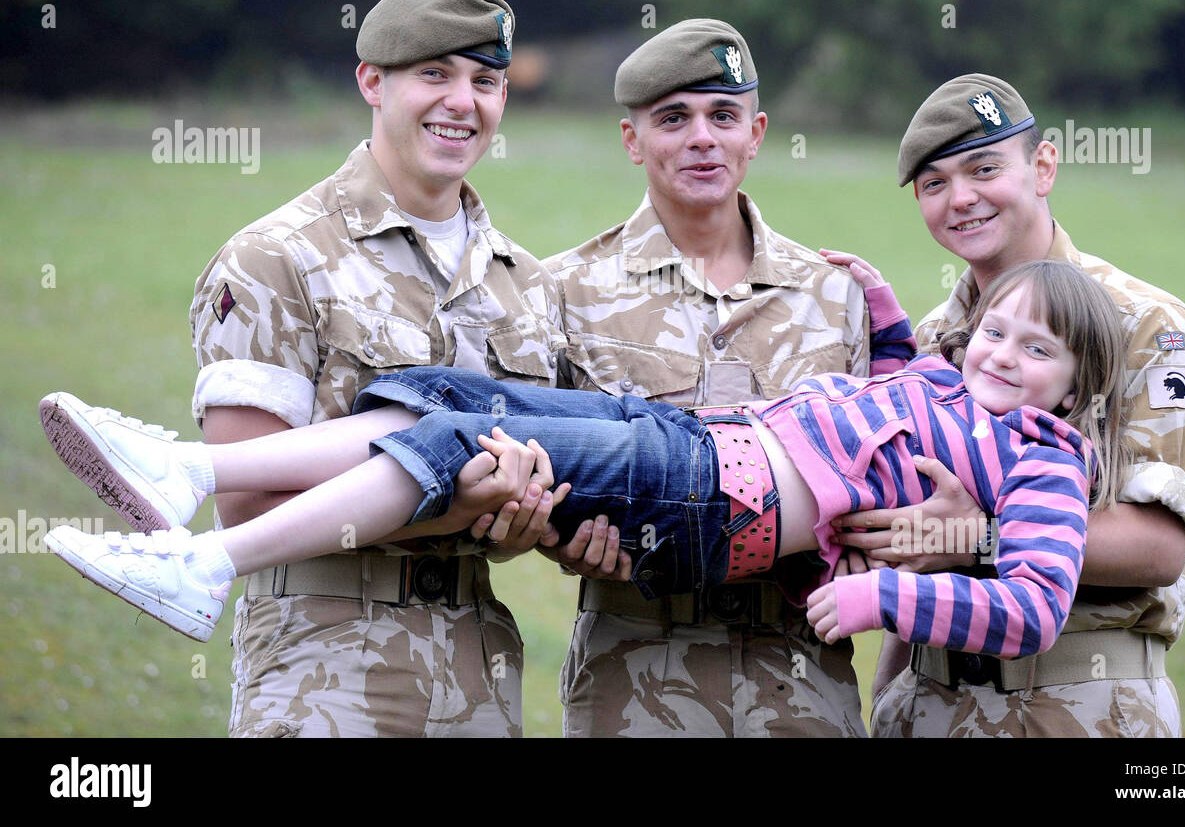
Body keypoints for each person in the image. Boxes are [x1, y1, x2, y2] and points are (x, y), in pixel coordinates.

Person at [43, 260, 1127, 673]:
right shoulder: (949, 379)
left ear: (1074, 384)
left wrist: (883, 589)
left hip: (724, 497)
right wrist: (887, 308)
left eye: (1038, 349)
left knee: (467, 446)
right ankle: (185, 465)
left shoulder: (1039, 459)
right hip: (704, 448)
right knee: (454, 390)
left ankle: (210, 563)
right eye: (996, 330)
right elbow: (894, 394)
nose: (1001, 355)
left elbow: (1033, 603)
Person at [181, 0, 569, 737]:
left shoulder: (526, 284)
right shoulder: (276, 257)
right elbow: (245, 502)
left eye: (486, 81)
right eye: (435, 73)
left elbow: (538, 493)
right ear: (371, 82)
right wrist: (458, 507)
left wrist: (524, 524)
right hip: (323, 667)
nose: (464, 101)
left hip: (478, 671)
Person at [836, 73, 1185, 738]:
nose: (961, 198)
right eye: (934, 183)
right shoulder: (937, 340)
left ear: (1043, 166)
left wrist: (977, 531)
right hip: (928, 702)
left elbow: (1161, 546)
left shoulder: (1141, 325)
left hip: (1078, 704)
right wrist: (887, 695)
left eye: (983, 168)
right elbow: (912, 538)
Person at [543, 19, 876, 737]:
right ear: (633, 140)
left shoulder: (832, 295)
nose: (703, 138)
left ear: (754, 133)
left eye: (722, 116)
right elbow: (538, 475)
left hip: (802, 683)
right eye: (674, 118)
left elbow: (872, 475)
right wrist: (560, 536)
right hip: (633, 679)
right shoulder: (566, 292)